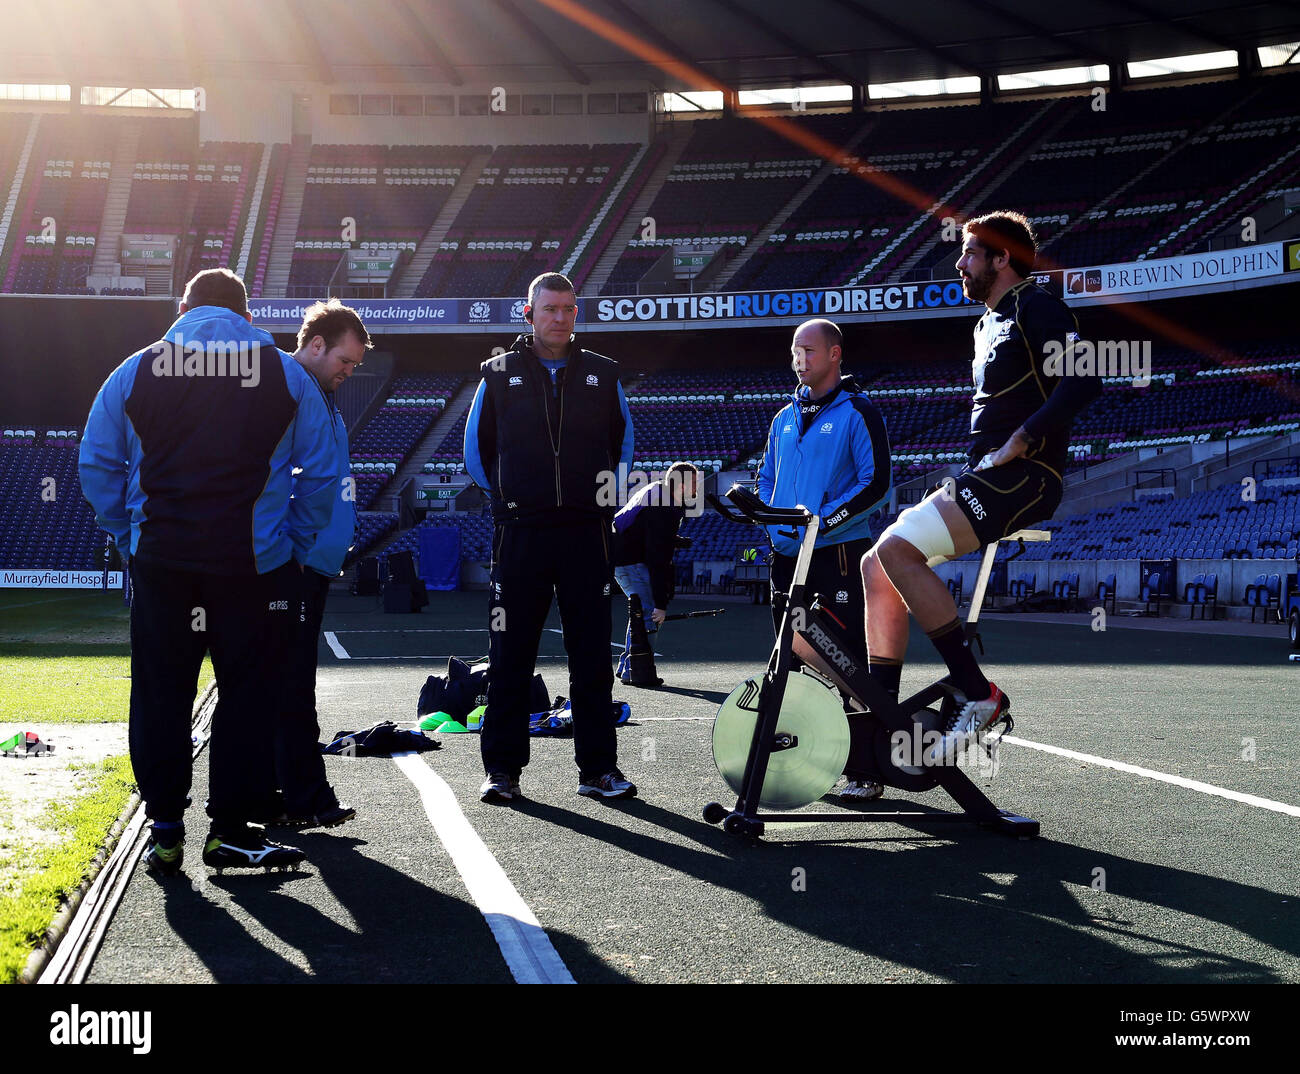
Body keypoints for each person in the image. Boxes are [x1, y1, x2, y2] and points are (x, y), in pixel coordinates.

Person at [79, 268, 338, 874]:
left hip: (164, 565)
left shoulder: (135, 369)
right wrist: (290, 546)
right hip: (253, 569)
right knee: (247, 697)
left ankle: (164, 827)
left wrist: (129, 535)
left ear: (182, 306)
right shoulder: (285, 372)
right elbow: (322, 476)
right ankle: (232, 832)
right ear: (247, 314)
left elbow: (96, 465)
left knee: (161, 695)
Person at [862, 210, 1099, 766]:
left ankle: (978, 693)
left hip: (1028, 475)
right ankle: (883, 723)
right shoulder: (985, 322)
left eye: (970, 252)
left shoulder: (1035, 304)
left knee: (895, 550)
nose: (959, 262)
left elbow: (1085, 378)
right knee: (878, 566)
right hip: (988, 473)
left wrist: (1023, 437)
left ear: (1002, 259)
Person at [464, 272, 636, 804]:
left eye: (568, 309)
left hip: (587, 534)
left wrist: (602, 499)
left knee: (592, 657)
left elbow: (624, 444)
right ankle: (503, 770)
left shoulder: (604, 375)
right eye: (549, 309)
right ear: (529, 312)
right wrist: (510, 499)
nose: (559, 318)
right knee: (510, 653)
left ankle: (599, 770)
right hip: (522, 534)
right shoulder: (496, 374)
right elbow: (475, 452)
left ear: (576, 314)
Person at [757, 318, 892, 799]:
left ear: (835, 354)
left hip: (837, 555)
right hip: (787, 558)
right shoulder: (782, 418)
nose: (799, 358)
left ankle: (865, 771)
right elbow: (766, 482)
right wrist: (777, 530)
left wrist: (822, 524)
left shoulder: (859, 412)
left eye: (809, 350)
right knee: (785, 658)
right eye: (795, 350)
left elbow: (876, 485)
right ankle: (793, 761)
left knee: (846, 659)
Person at [264, 299, 373, 830]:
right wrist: (295, 550)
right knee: (288, 682)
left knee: (288, 679)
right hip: (292, 563)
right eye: (345, 361)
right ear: (315, 345)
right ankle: (302, 799)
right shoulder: (286, 385)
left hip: (311, 561)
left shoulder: (316, 391)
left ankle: (287, 796)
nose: (349, 372)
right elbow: (277, 477)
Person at [610, 461, 701, 684]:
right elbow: (657, 558)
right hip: (630, 562)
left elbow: (642, 529)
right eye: (693, 483)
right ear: (681, 484)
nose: (696, 488)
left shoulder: (658, 492)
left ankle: (628, 665)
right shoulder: (664, 505)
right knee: (650, 613)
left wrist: (673, 540)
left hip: (621, 557)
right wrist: (662, 604)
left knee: (640, 612)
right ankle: (638, 671)